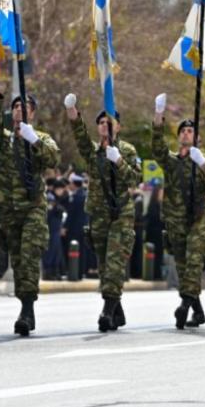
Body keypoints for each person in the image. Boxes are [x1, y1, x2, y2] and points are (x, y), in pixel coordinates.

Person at [0, 75, 59, 336]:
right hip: (9, 208)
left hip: (32, 206)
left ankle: (28, 310)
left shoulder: (41, 138)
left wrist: (33, 139)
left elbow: (53, 158)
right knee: (17, 257)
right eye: (16, 106)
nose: (19, 109)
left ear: (33, 113)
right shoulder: (5, 139)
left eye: (25, 106)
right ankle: (24, 305)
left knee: (28, 253)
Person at [65, 94, 141, 331]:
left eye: (109, 122)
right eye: (100, 123)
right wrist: (72, 111)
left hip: (121, 214)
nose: (104, 126)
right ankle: (117, 310)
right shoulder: (93, 152)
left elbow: (135, 179)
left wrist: (119, 161)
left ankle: (107, 312)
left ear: (118, 127)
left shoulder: (127, 150)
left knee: (115, 263)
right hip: (98, 214)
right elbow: (80, 136)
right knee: (104, 266)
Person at [151, 93, 205, 329]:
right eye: (183, 131)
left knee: (193, 263)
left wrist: (202, 164)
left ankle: (184, 305)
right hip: (176, 222)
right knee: (183, 268)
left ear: (197, 137)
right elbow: (157, 148)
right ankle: (197, 311)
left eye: (190, 131)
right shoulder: (171, 162)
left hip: (198, 219)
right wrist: (158, 115)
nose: (186, 134)